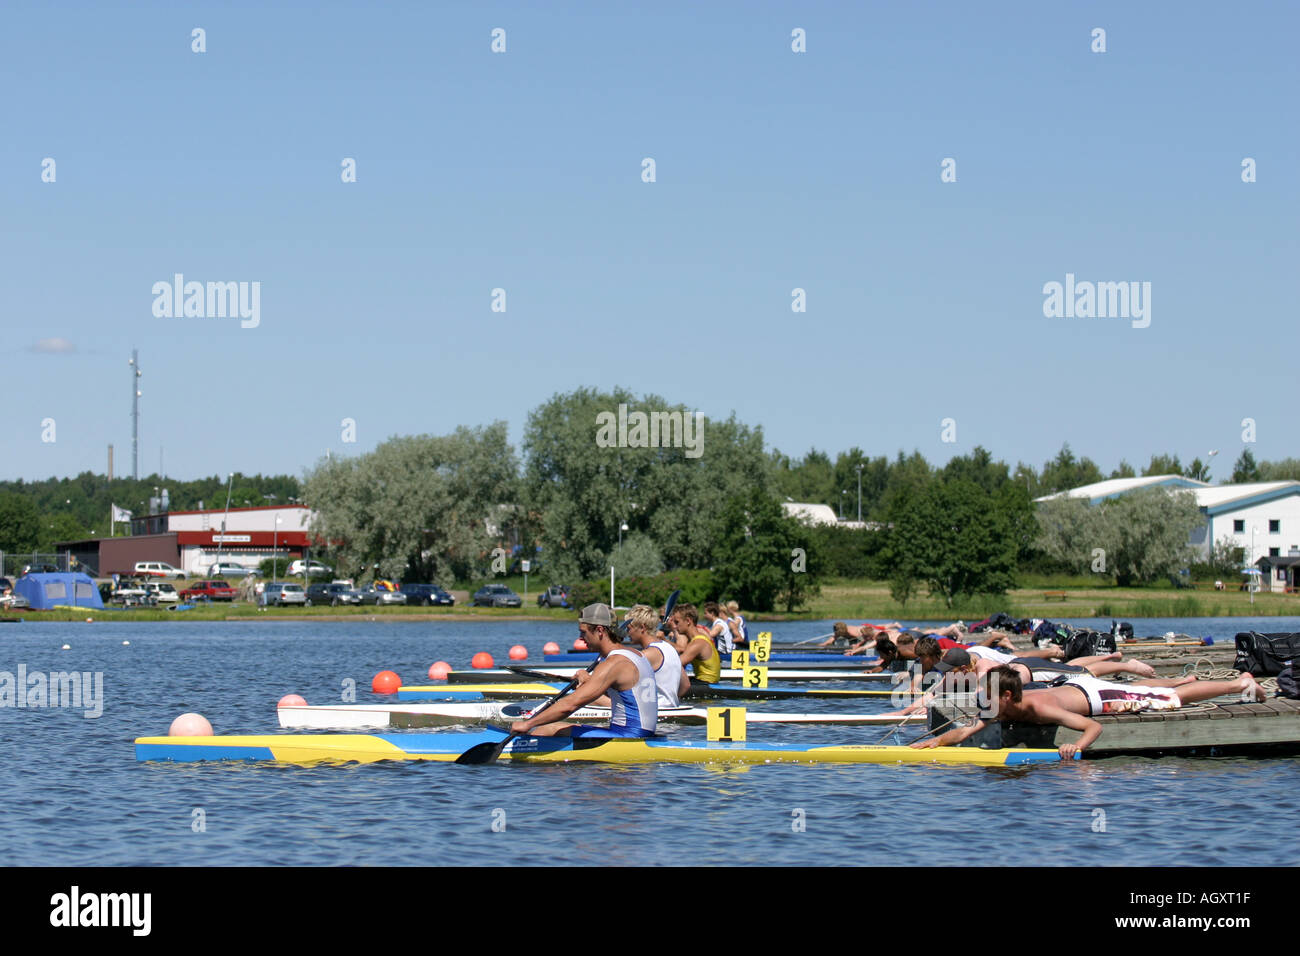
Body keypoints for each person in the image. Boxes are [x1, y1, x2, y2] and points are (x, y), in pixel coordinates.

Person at [912, 665, 1266, 758]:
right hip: (1081, 686)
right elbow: (967, 730)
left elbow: (1092, 728)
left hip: (1099, 698)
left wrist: (1076, 747)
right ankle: (1231, 682)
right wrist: (936, 744)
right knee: (1153, 689)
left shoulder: (1038, 706)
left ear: (1006, 696)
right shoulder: (1000, 707)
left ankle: (1239, 685)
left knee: (1169, 698)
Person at [510, 603, 658, 738]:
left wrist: (528, 724)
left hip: (628, 737)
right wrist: (589, 681)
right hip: (642, 734)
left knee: (545, 730)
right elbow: (627, 693)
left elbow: (570, 705)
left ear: (600, 630)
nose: (581, 638)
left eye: (583, 632)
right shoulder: (636, 654)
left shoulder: (615, 663)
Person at [623, 603, 688, 707]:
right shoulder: (670, 648)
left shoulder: (647, 654)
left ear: (642, 627)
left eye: (629, 628)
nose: (627, 633)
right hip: (671, 709)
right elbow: (685, 685)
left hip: (654, 715)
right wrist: (669, 700)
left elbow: (619, 681)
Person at [669, 603, 721, 689]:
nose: (674, 626)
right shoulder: (697, 639)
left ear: (688, 621)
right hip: (703, 682)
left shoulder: (698, 643)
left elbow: (674, 665)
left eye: (677, 622)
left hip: (707, 685)